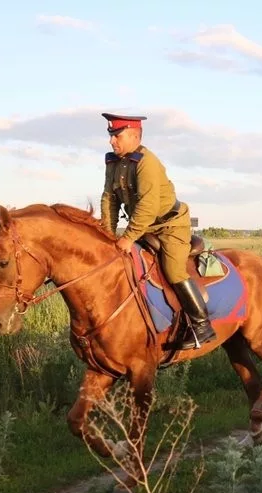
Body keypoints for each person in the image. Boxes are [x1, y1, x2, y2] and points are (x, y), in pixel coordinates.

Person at [99, 112, 216, 350]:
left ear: (134, 135)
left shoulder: (146, 162)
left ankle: (202, 325)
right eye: (111, 136)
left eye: (117, 136)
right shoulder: (113, 162)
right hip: (145, 227)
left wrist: (128, 237)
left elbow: (148, 206)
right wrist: (107, 236)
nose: (112, 141)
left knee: (173, 270)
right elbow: (109, 199)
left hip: (169, 226)